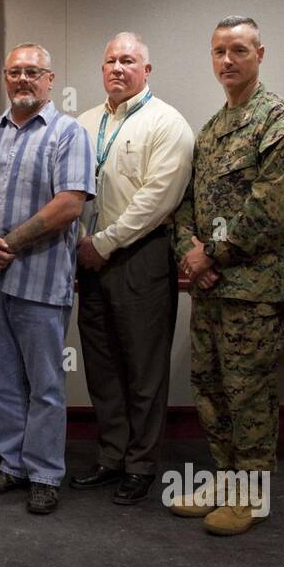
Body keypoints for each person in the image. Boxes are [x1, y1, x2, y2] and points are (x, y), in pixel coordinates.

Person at [171, 17, 284, 535]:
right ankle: (226, 479)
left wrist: (210, 256)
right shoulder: (211, 129)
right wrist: (190, 254)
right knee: (209, 386)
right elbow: (185, 205)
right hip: (210, 286)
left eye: (238, 50)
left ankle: (251, 494)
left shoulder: (282, 122)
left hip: (252, 289)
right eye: (218, 51)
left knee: (248, 391)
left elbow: (268, 209)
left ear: (260, 54)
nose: (227, 60)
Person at [0, 43, 93, 515]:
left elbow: (70, 203)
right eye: (14, 72)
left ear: (50, 79)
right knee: (1, 381)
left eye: (33, 72)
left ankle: (44, 474)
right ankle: (12, 465)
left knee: (45, 384)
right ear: (5, 79)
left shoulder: (68, 133)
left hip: (40, 279)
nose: (22, 79)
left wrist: (8, 244)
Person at [71, 32, 194, 504]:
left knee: (143, 368)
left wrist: (103, 243)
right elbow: (71, 190)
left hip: (140, 257)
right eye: (110, 61)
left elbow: (157, 200)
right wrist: (81, 244)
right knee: (102, 365)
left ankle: (141, 464)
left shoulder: (168, 123)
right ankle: (111, 456)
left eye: (128, 60)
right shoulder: (84, 123)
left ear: (147, 70)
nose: (118, 68)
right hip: (89, 259)